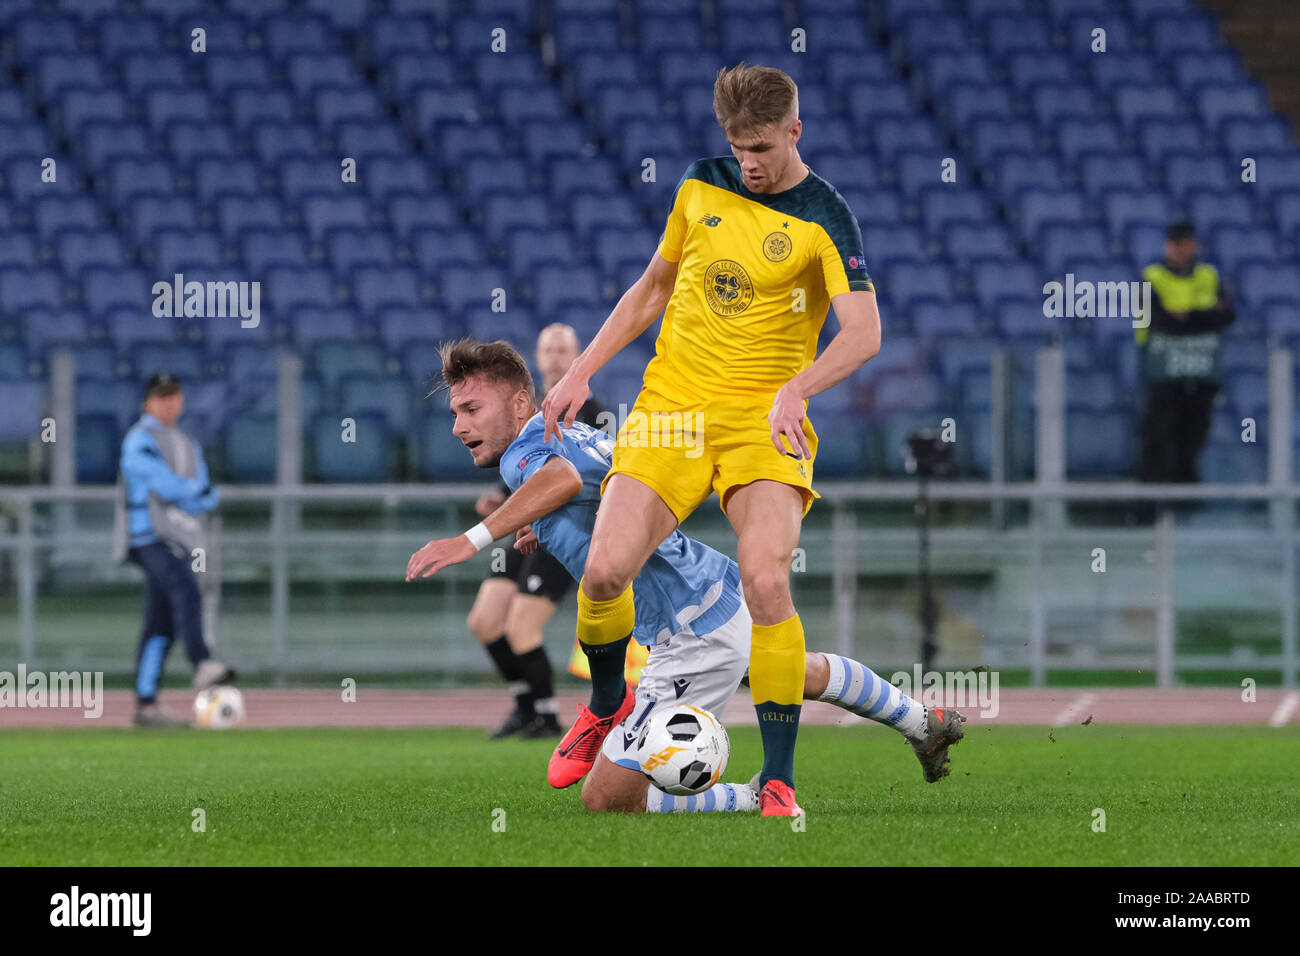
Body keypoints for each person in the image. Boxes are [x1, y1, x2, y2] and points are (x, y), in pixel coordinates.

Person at [406, 339, 964, 813]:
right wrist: (544, 525)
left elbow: (564, 481)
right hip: (714, 587)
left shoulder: (527, 453)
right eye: (455, 413)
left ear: (520, 401)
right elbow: (600, 487)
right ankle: (921, 720)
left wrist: (471, 539)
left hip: (685, 631)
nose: (459, 427)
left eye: (472, 410)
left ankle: (750, 796)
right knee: (795, 672)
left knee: (606, 799)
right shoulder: (571, 430)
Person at [541, 63, 884, 815]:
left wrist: (799, 387)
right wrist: (583, 371)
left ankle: (780, 782)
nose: (749, 161)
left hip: (765, 422)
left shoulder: (827, 215)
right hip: (671, 412)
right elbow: (653, 288)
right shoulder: (701, 184)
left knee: (765, 579)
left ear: (795, 131)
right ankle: (603, 704)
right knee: (602, 572)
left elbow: (864, 333)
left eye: (761, 146)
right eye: (738, 145)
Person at [464, 324, 607, 739]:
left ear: (578, 355)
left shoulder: (590, 409)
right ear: (539, 358)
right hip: (525, 527)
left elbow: (586, 476)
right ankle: (526, 705)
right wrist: (498, 498)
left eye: (564, 350)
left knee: (521, 628)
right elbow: (521, 463)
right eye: (548, 350)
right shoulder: (528, 408)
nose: (556, 357)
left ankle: (546, 716)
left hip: (561, 530)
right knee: (485, 621)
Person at [112, 371, 231, 727]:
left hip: (180, 538)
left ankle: (145, 704)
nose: (169, 402)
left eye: (174, 395)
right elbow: (165, 486)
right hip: (147, 536)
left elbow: (202, 494)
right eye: (162, 396)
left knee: (160, 622)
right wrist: (193, 490)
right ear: (148, 401)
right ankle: (203, 662)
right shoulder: (139, 439)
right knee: (185, 589)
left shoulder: (186, 443)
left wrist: (193, 492)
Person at [1136, 221, 1236, 484]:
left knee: (1195, 429)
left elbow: (1226, 316)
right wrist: (1201, 317)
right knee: (1158, 430)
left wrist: (1185, 316)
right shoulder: (1151, 277)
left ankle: (1185, 491)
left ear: (1194, 245)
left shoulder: (1209, 276)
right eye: (1174, 244)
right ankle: (1154, 493)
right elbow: (1156, 319)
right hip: (1161, 370)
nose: (1178, 249)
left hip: (1201, 368)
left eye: (1184, 243)